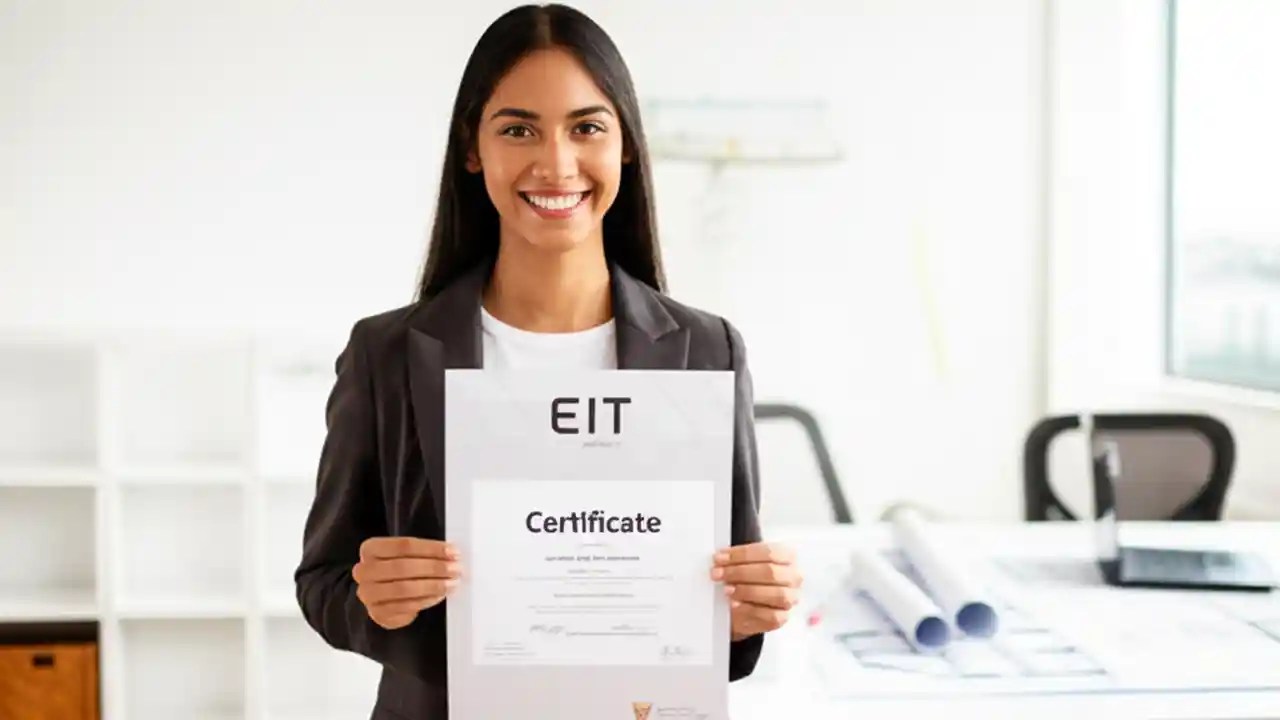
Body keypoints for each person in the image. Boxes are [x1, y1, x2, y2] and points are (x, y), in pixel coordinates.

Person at [294, 4, 803, 718]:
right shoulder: (387, 354)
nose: (556, 164)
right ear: (473, 147)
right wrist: (373, 601)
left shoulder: (707, 350)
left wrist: (749, 607)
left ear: (626, 144)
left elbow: (718, 601)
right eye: (518, 129)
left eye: (587, 127)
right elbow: (323, 582)